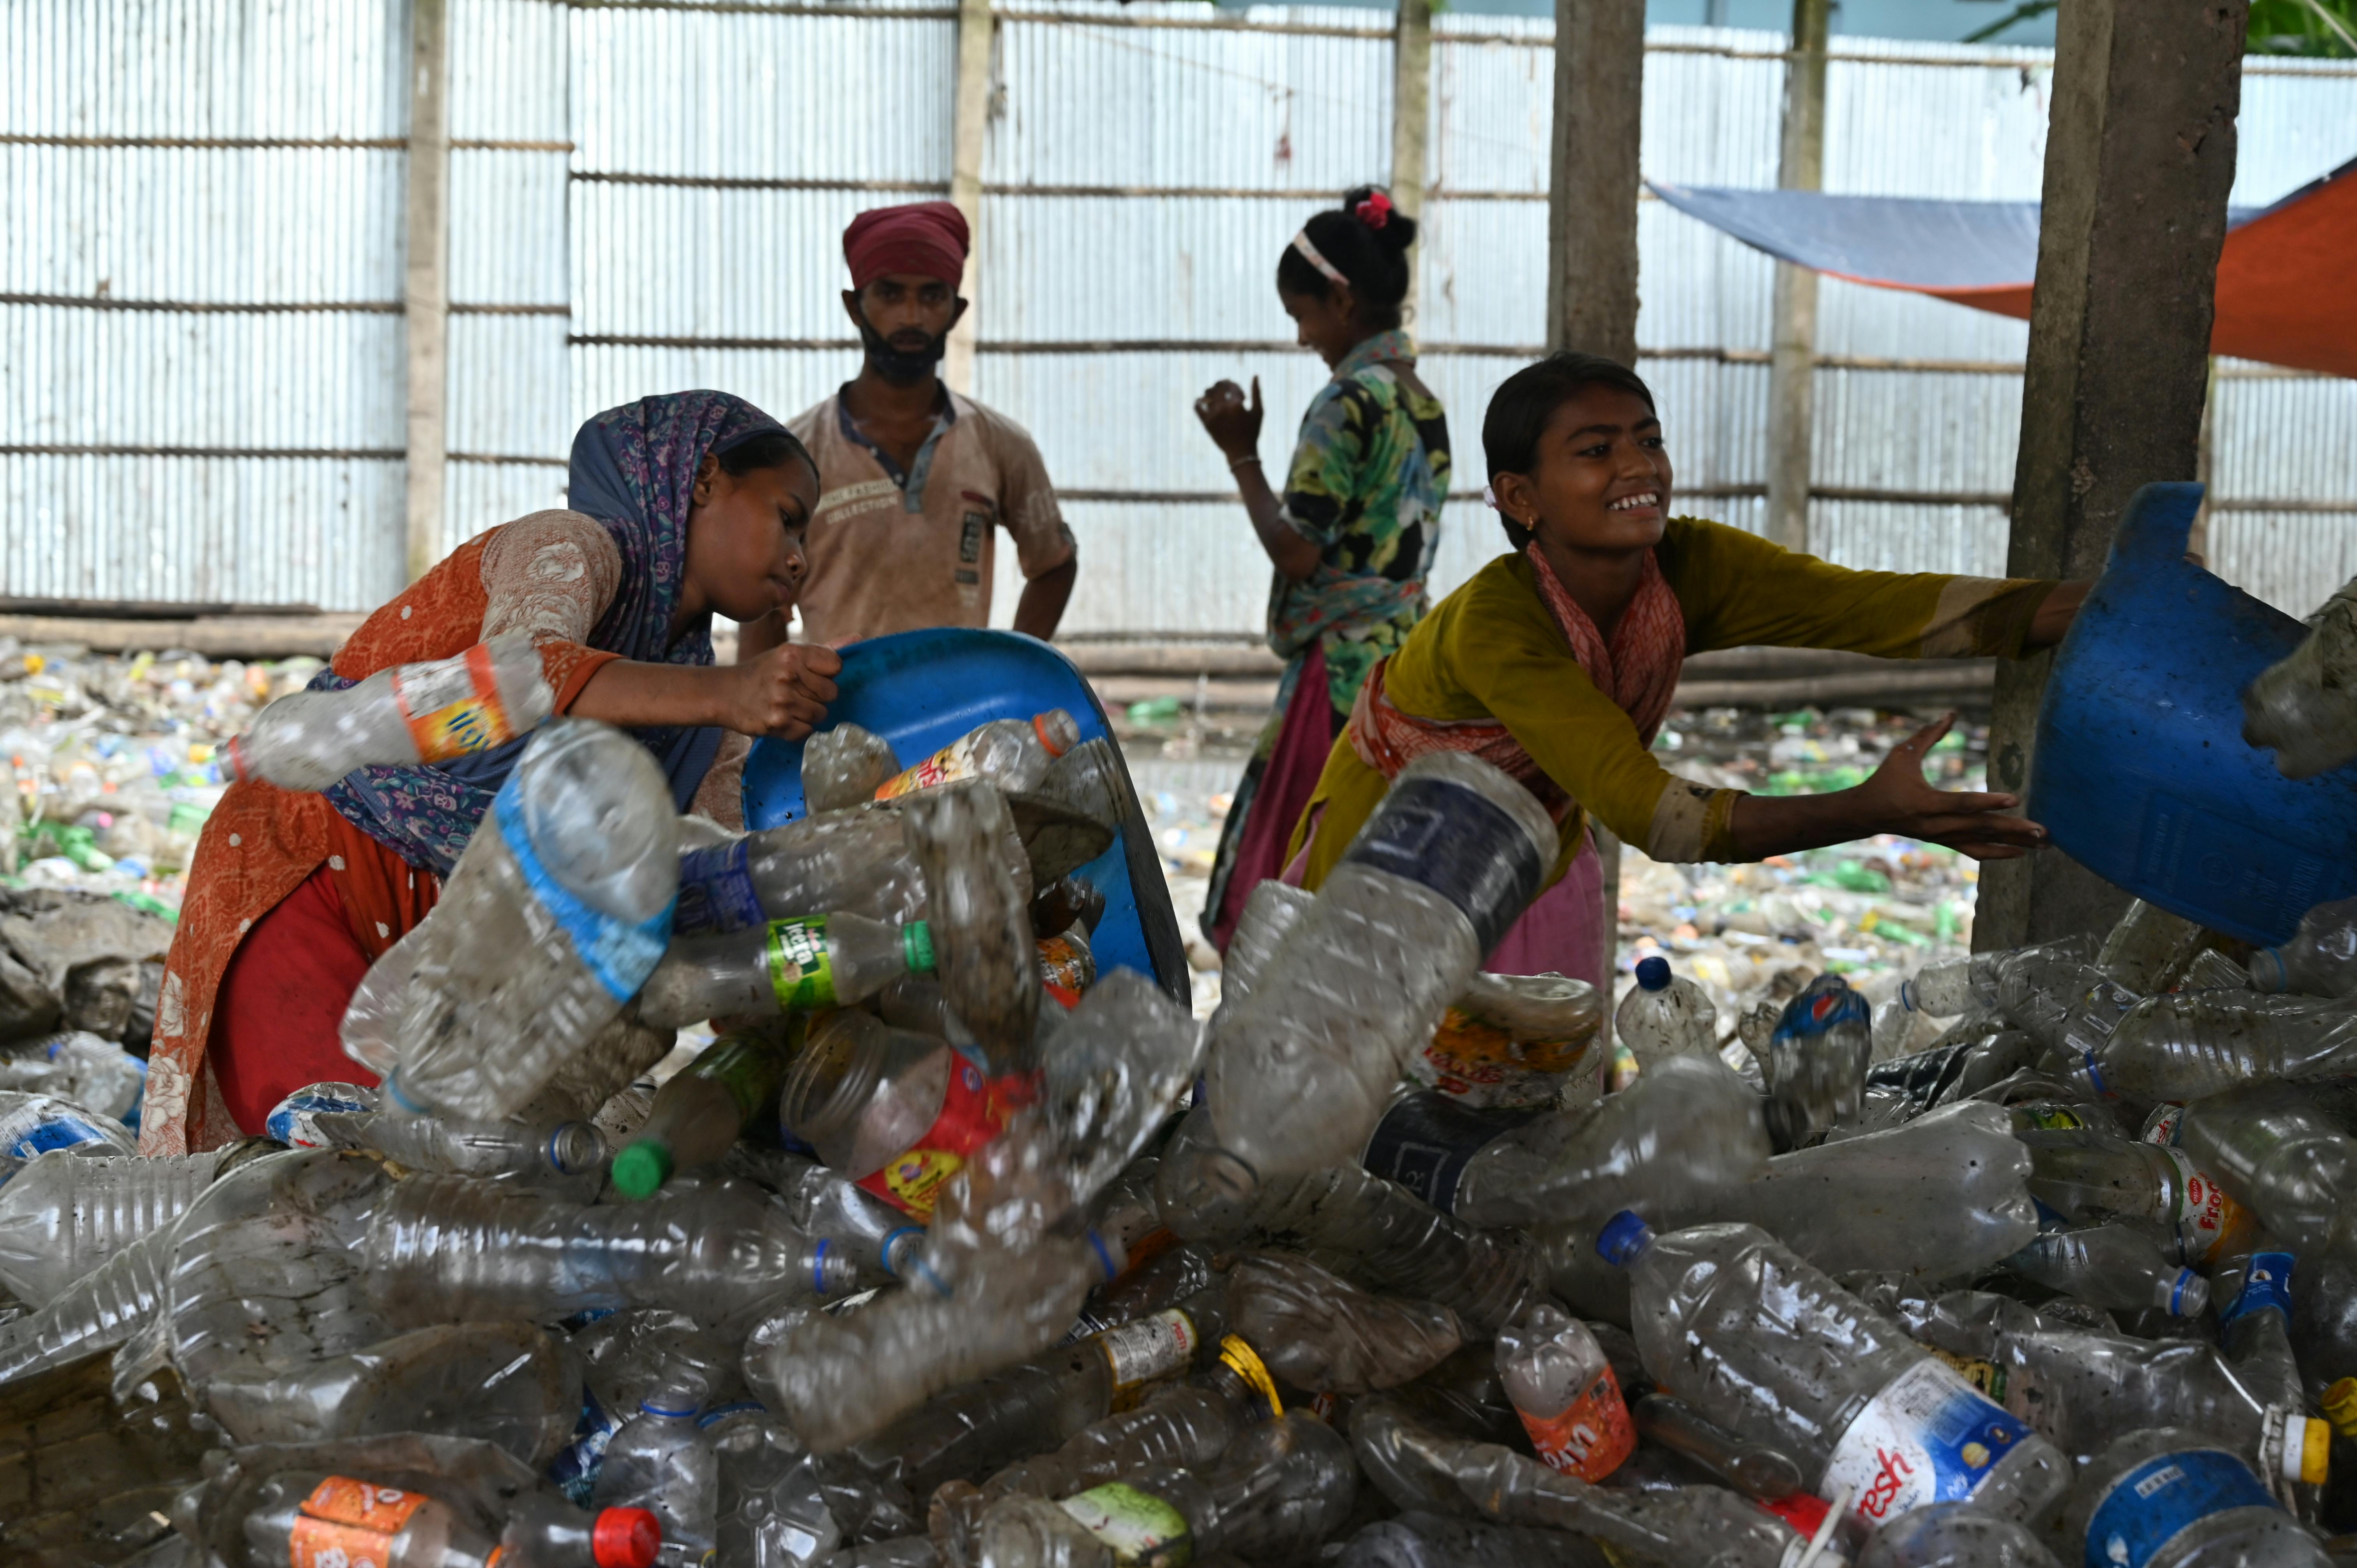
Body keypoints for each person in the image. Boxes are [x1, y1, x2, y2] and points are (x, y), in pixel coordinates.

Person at [141, 391, 843, 1154]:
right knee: (329, 1185)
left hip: (434, 954)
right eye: (789, 515)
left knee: (413, 1197)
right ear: (705, 479)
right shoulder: (573, 548)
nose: (801, 554)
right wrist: (730, 694)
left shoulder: (696, 709)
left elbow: (710, 876)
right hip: (313, 870)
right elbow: (522, 670)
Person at [1283, 352, 2092, 991]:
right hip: (1393, 849)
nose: (1639, 466)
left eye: (1649, 439)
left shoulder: (1690, 565)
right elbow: (1656, 814)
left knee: (1526, 1085)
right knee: (1365, 1077)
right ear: (1519, 496)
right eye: (1597, 451)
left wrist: (2098, 603)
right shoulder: (1499, 623)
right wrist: (1870, 808)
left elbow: (1872, 607)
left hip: (1538, 846)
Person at [1193, 185, 1447, 951]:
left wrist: (1241, 452)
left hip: (1342, 671)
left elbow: (1299, 549)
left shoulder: (1346, 402)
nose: (1304, 339)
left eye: (1304, 316)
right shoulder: (1421, 399)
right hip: (1409, 657)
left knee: (1305, 869)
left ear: (1340, 300)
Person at [737, 200, 1076, 660]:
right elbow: (765, 607)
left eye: (932, 296)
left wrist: (1012, 665)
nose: (913, 317)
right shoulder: (796, 452)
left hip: (963, 714)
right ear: (855, 307)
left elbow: (1054, 564)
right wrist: (762, 719)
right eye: (891, 294)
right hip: (836, 712)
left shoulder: (1000, 444)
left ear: (956, 312)